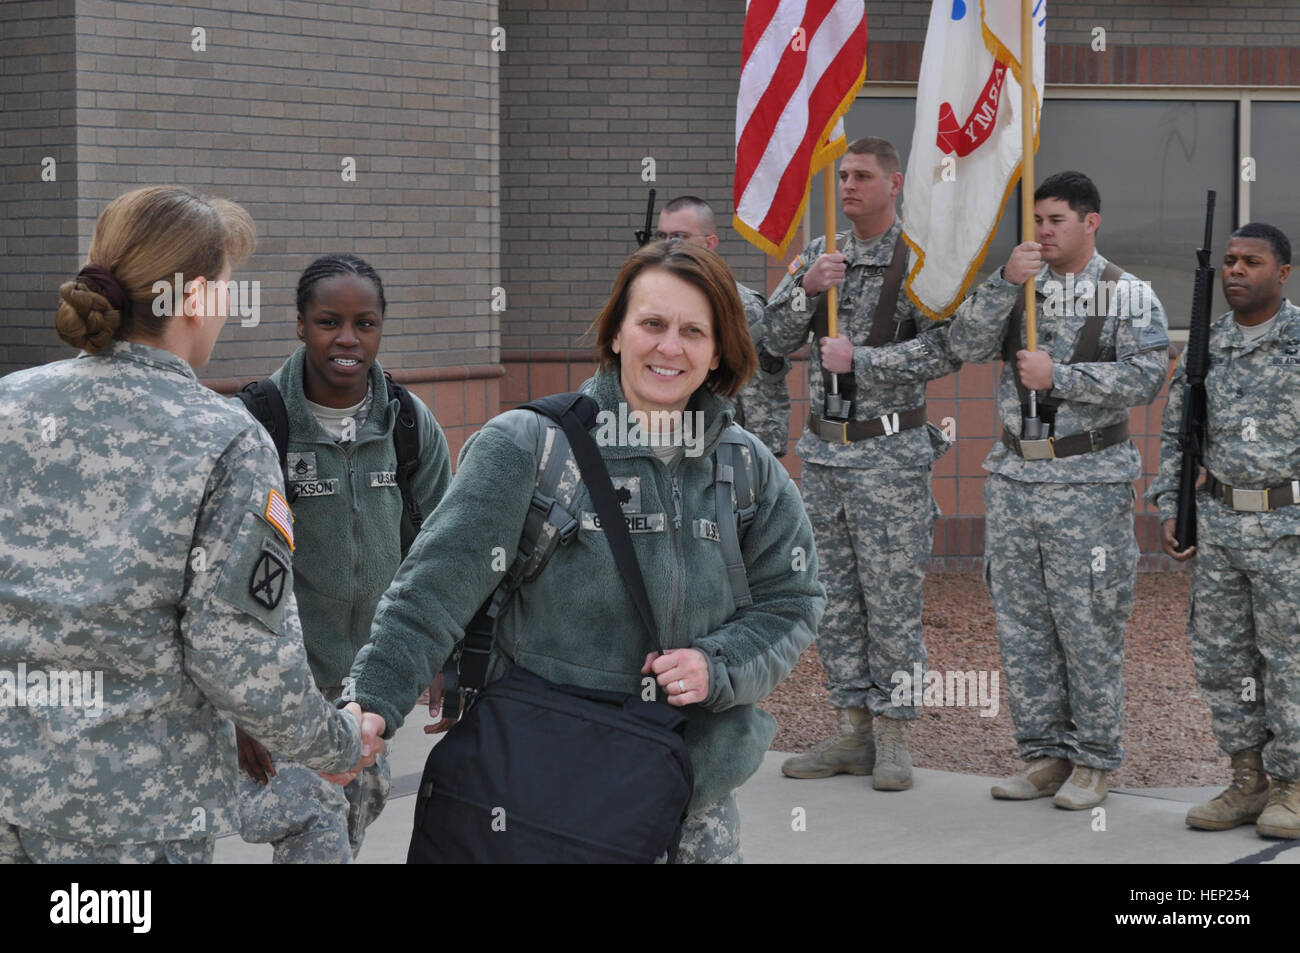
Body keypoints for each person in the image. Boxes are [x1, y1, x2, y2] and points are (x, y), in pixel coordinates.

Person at [345, 240, 825, 863]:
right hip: (544, 795)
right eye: (651, 324)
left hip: (690, 800)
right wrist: (374, 703)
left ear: (717, 354)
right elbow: (431, 591)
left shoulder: (747, 467)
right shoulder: (529, 446)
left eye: (693, 332)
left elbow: (793, 599)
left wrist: (719, 662)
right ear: (617, 334)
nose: (669, 347)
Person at [0, 186, 377, 864]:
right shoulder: (224, 438)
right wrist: (340, 743)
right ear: (195, 299)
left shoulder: (9, 405)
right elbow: (240, 654)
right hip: (131, 819)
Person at [947, 171, 1169, 809]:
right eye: (1037, 221)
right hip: (1016, 479)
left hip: (1087, 484)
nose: (1043, 231)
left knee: (1087, 621)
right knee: (1022, 625)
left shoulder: (1125, 294)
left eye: (1055, 221)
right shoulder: (1023, 287)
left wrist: (1060, 376)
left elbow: (1148, 376)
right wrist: (1003, 284)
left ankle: (1095, 759)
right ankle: (1043, 752)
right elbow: (963, 344)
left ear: (1090, 221)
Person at [234, 255, 451, 863]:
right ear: (301, 325)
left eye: (366, 323)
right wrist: (240, 703)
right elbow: (225, 575)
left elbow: (441, 548)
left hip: (374, 678)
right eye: (330, 321)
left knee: (353, 814)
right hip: (286, 680)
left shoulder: (408, 423)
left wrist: (436, 651)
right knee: (317, 828)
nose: (348, 339)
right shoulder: (258, 425)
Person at [766, 137, 960, 791]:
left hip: (889, 458)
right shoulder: (822, 257)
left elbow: (949, 349)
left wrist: (869, 362)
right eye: (842, 175)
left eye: (862, 176)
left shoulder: (920, 264)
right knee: (837, 602)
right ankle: (851, 731)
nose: (848, 185)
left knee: (892, 602)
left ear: (894, 183)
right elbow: (770, 339)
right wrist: (805, 291)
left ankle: (894, 736)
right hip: (824, 455)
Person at [1149, 222, 1300, 839]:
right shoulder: (1208, 348)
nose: (1236, 271)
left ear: (1282, 273)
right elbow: (1176, 437)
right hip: (1219, 530)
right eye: (1230, 262)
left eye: (1252, 262)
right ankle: (1248, 780)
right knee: (1222, 659)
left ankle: (1293, 785)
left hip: (1289, 531)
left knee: (1289, 661)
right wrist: (1170, 507)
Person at [656, 195, 791, 457]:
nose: (667, 246)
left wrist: (759, 459)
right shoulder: (647, 302)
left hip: (724, 453)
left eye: (679, 237)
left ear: (709, 244)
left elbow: (762, 392)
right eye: (661, 236)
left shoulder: (742, 308)